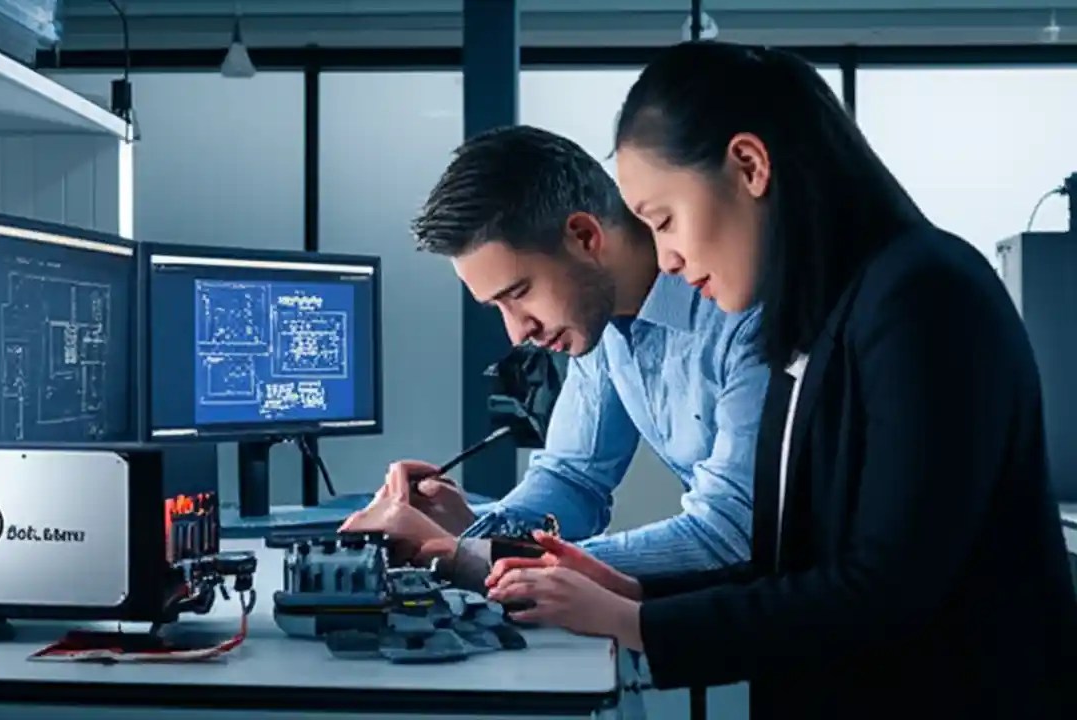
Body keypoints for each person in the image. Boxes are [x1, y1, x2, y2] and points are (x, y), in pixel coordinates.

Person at [483, 41, 1077, 718]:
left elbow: (881, 590)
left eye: (665, 220)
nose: (667, 259)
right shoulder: (822, 318)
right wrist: (629, 592)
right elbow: (798, 564)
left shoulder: (923, 294)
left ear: (749, 165)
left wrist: (637, 624)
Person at [340, 124, 770, 588]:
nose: (517, 330)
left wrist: (471, 555)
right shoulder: (597, 319)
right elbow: (573, 481)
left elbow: (729, 535)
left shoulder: (740, 310)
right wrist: (470, 526)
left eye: (520, 293)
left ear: (584, 236)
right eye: (498, 307)